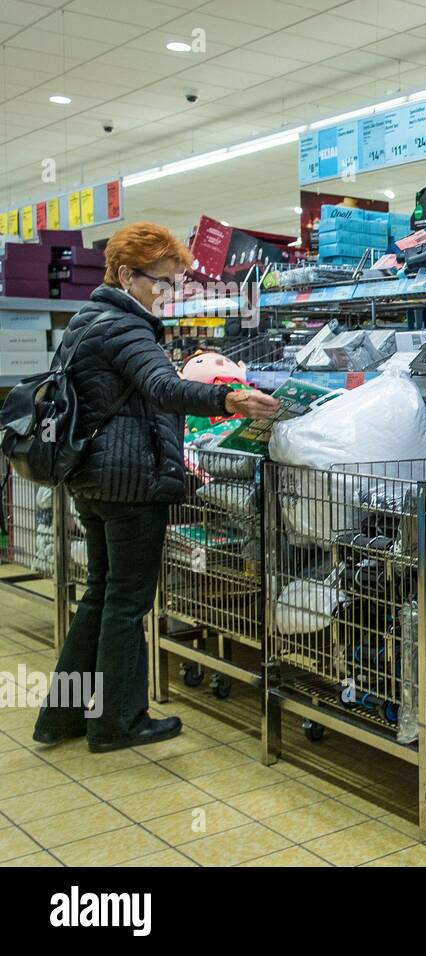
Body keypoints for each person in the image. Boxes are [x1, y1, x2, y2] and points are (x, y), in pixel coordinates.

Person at [31, 222, 281, 753]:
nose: (167, 294)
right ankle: (119, 721)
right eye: (162, 282)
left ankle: (63, 716)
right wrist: (228, 400)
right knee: (127, 600)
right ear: (127, 275)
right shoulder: (124, 325)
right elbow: (163, 387)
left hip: (93, 478)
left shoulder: (86, 318)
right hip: (128, 485)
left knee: (101, 594)